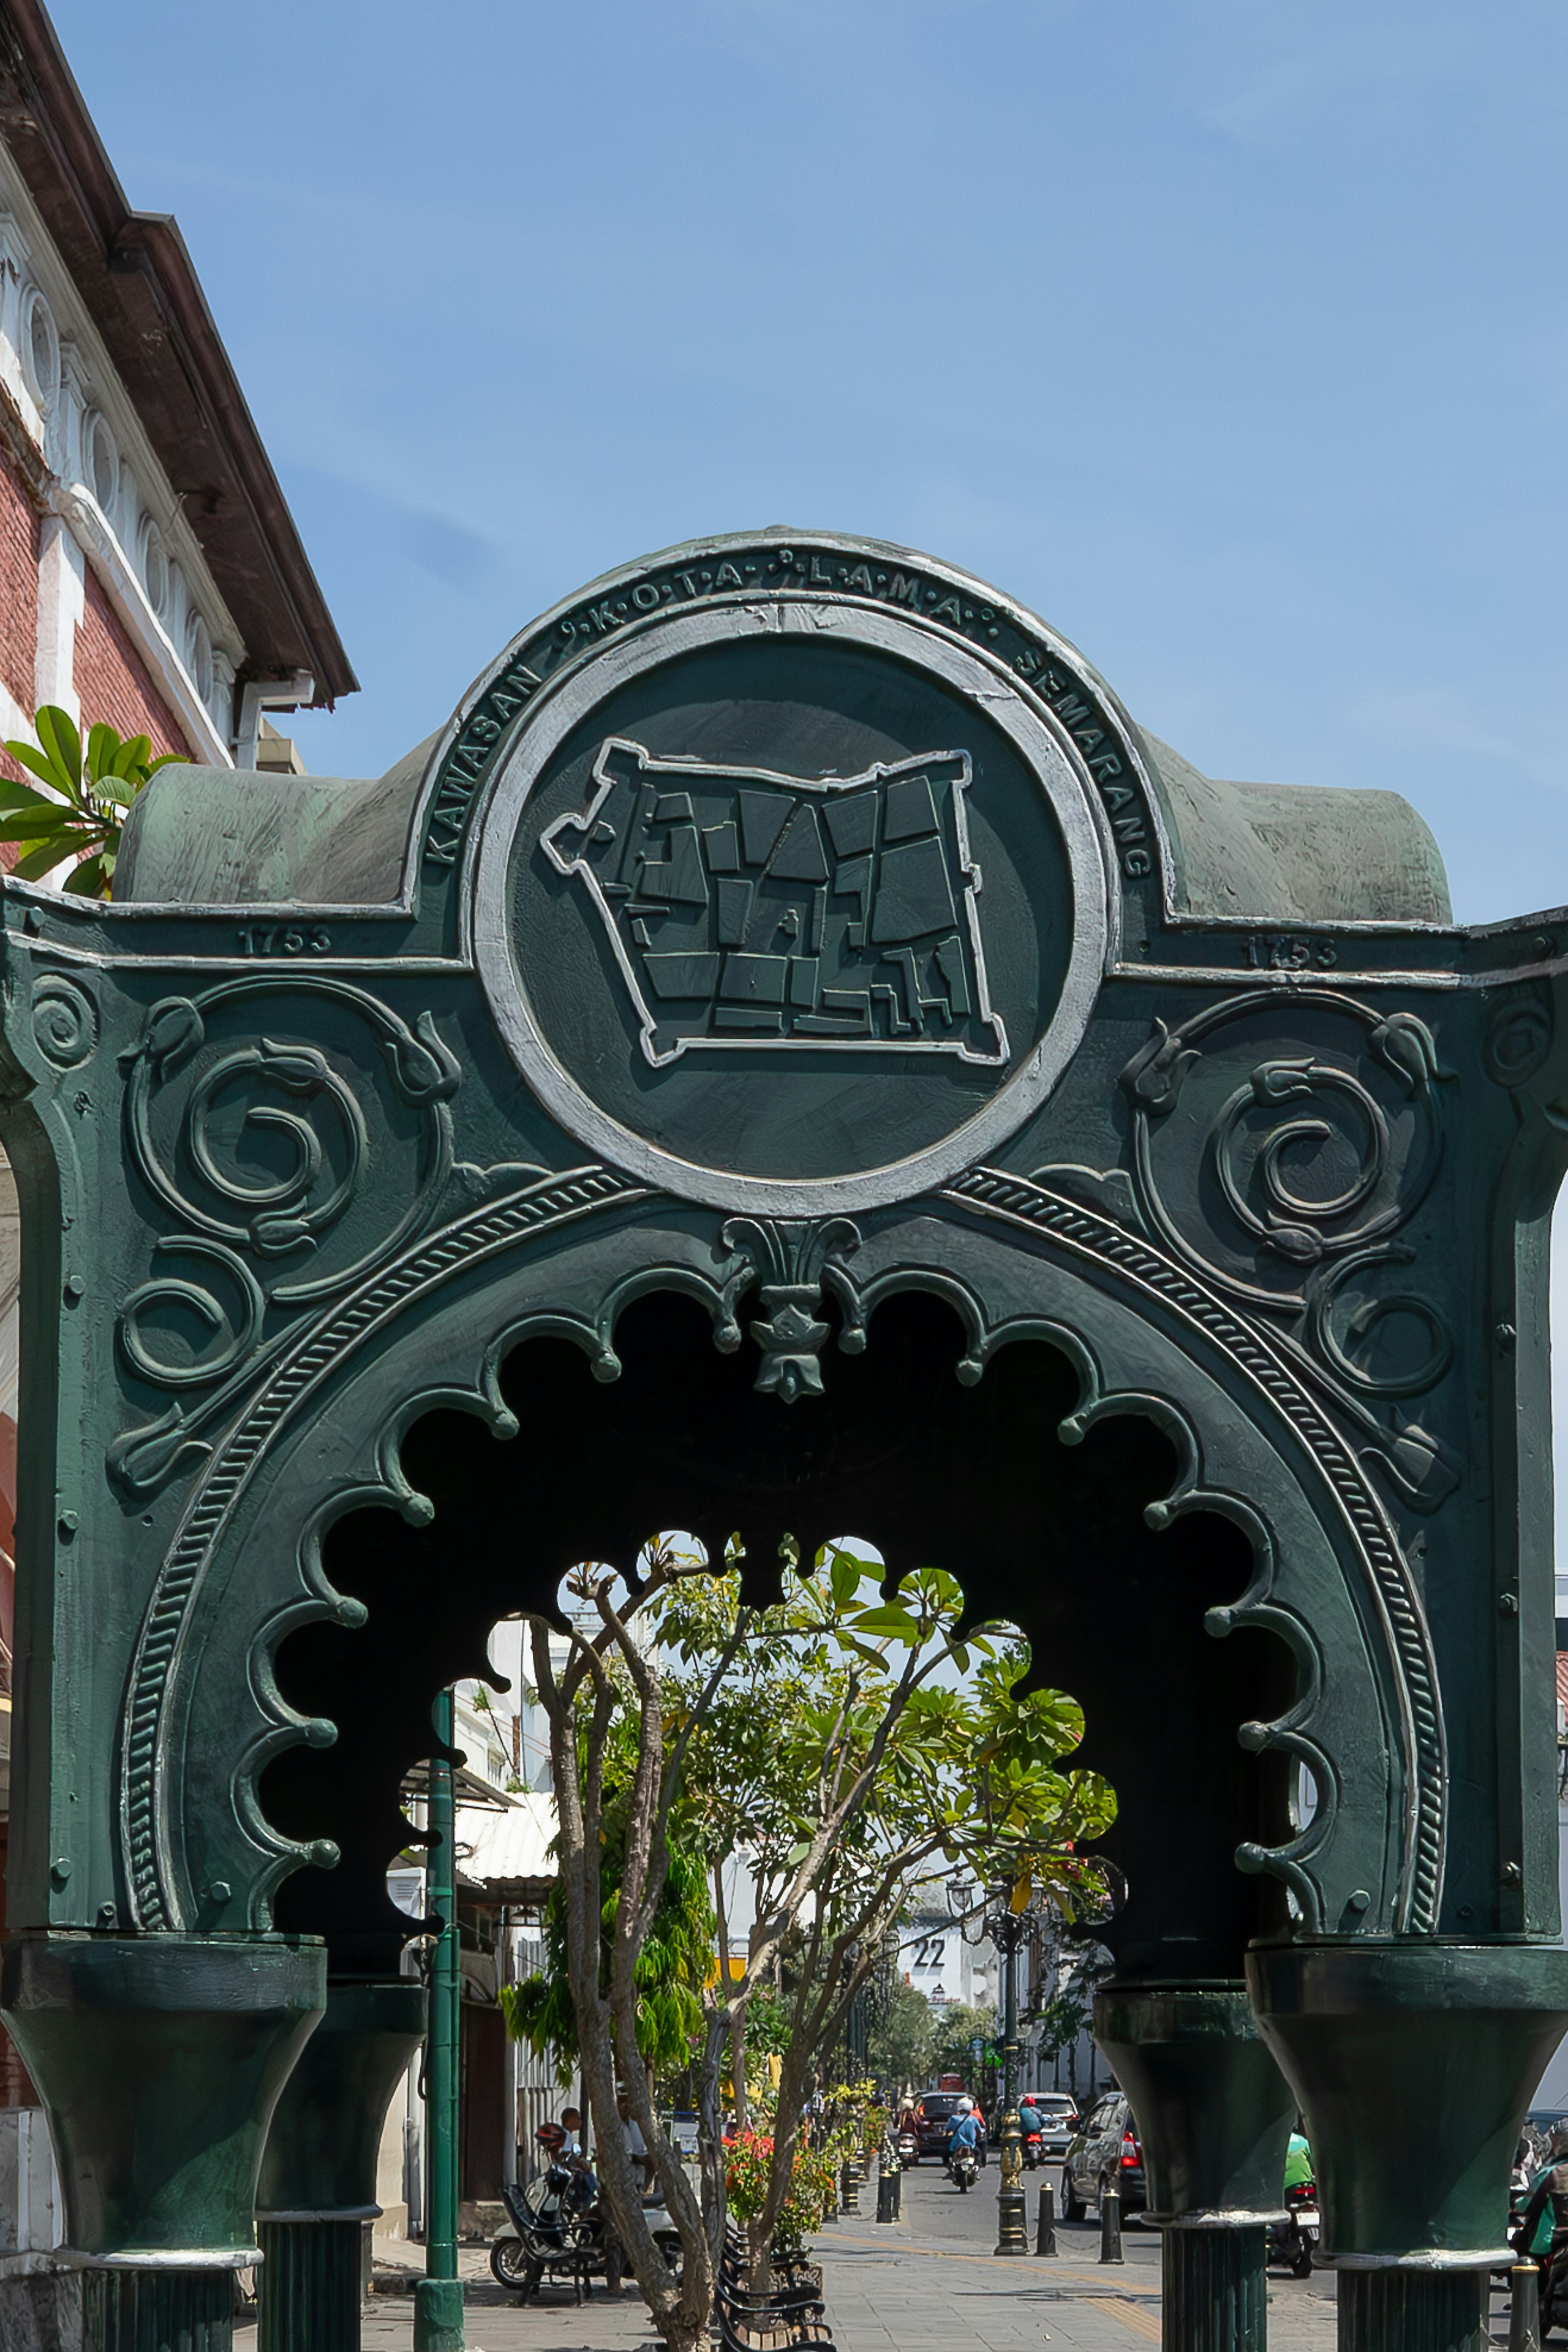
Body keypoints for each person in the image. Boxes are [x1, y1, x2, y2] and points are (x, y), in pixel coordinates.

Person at [617, 2087, 657, 2195]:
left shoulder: (636, 2124)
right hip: (623, 2157)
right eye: (622, 2105)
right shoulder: (617, 2126)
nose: (625, 2108)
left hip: (637, 2157)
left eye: (627, 2104)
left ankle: (643, 2189)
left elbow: (641, 2147)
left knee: (653, 2162)